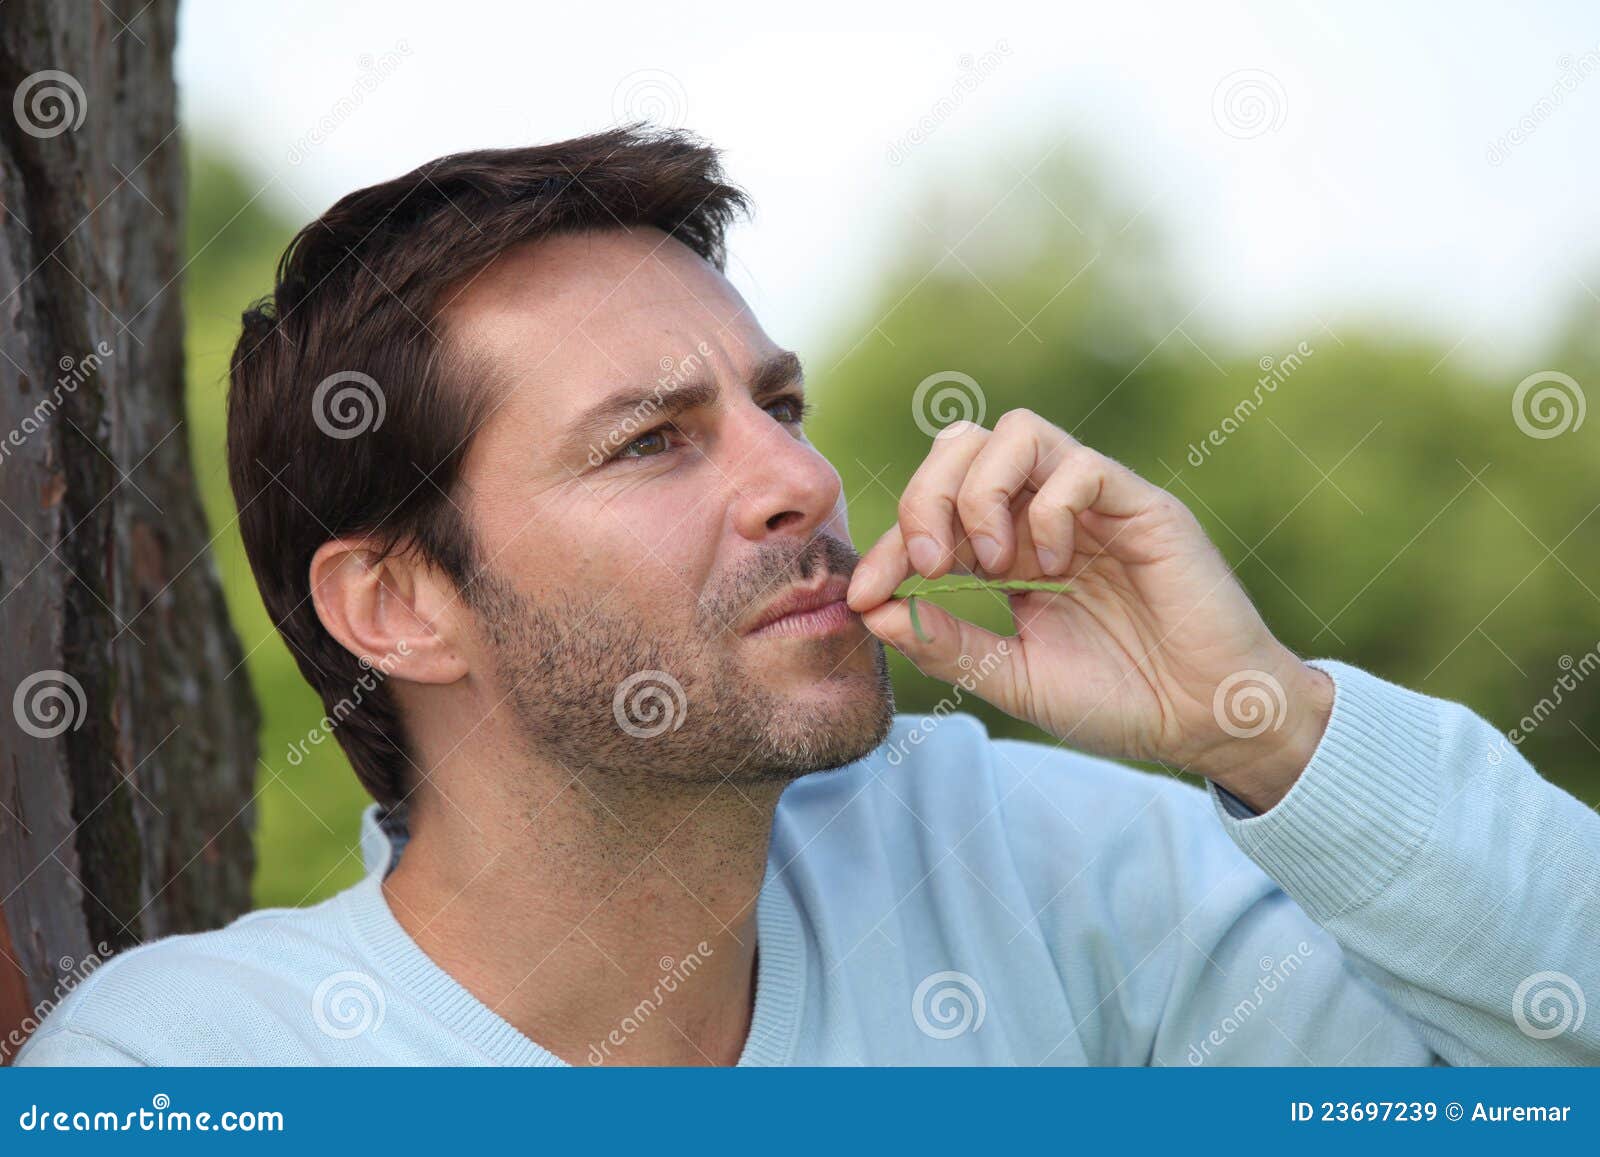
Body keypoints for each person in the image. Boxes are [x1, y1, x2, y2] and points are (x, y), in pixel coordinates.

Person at [19, 127, 1597, 1066]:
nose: (801, 480)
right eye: (652, 442)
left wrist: (1271, 724)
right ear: (399, 605)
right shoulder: (194, 1066)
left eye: (780, 404)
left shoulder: (1034, 874)